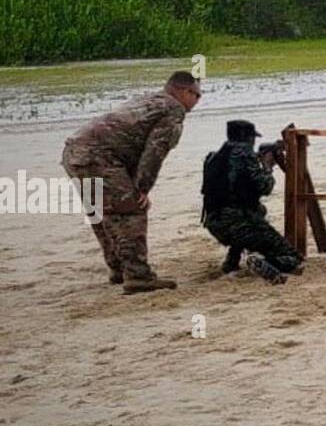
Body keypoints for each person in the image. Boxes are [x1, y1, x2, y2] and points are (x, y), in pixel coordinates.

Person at [60, 71, 201, 293]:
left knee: (101, 213)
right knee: (130, 210)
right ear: (185, 92)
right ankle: (137, 275)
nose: (197, 101)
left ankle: (118, 269)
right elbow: (155, 151)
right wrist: (142, 188)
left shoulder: (150, 100)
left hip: (74, 153)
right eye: (197, 95)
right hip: (99, 156)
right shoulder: (173, 109)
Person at [201, 120, 304, 284]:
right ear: (248, 138)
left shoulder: (214, 157)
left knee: (258, 210)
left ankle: (232, 262)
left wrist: (259, 156)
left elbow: (234, 173)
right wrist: (267, 166)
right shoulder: (245, 156)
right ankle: (265, 264)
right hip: (240, 224)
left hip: (215, 222)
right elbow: (265, 187)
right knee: (293, 257)